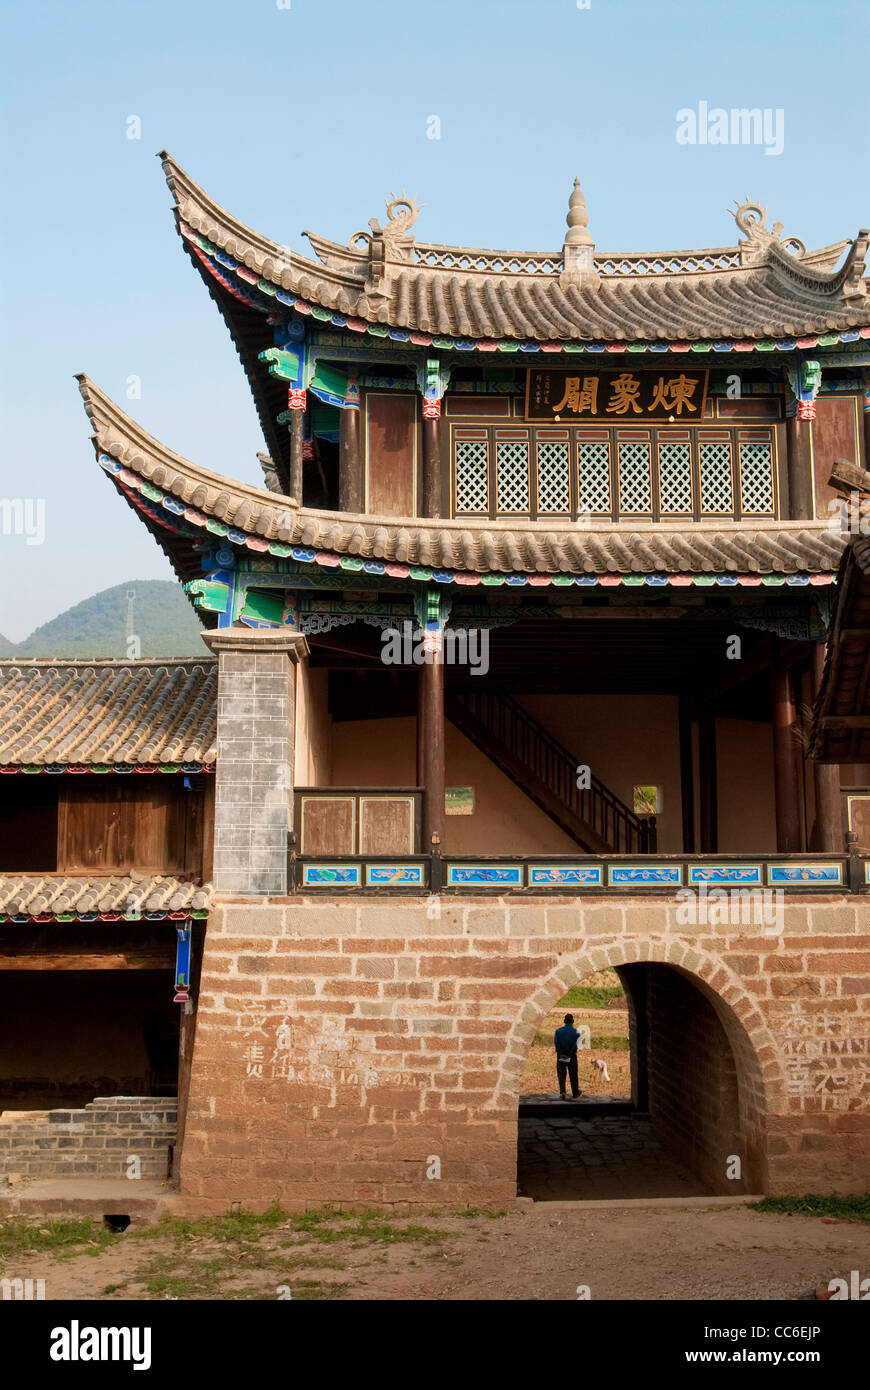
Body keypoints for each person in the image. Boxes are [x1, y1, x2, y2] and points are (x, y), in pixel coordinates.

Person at [554, 1012, 581, 1100]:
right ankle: (575, 1092)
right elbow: (575, 1046)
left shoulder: (558, 1031)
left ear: (564, 1021)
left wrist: (561, 1053)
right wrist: (569, 1054)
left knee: (561, 1074)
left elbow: (556, 1043)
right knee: (573, 1074)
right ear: (573, 1021)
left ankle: (563, 1092)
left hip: (560, 1056)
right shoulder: (576, 1033)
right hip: (572, 1056)